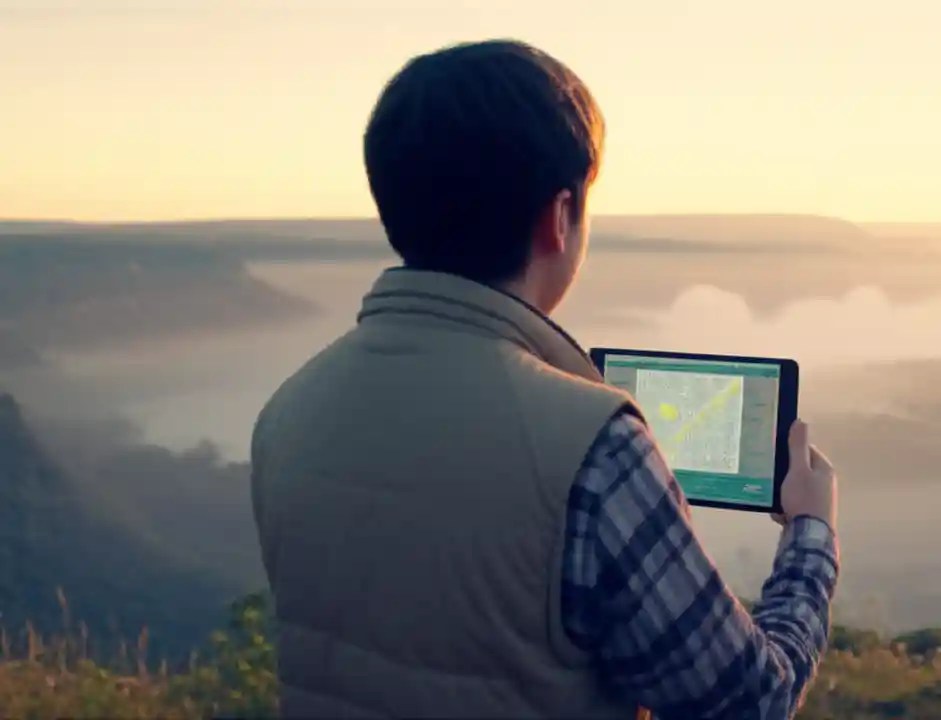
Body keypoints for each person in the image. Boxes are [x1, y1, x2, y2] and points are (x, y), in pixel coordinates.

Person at [250, 38, 841, 719]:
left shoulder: (288, 411)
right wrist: (811, 532)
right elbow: (747, 702)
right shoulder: (595, 448)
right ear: (559, 218)